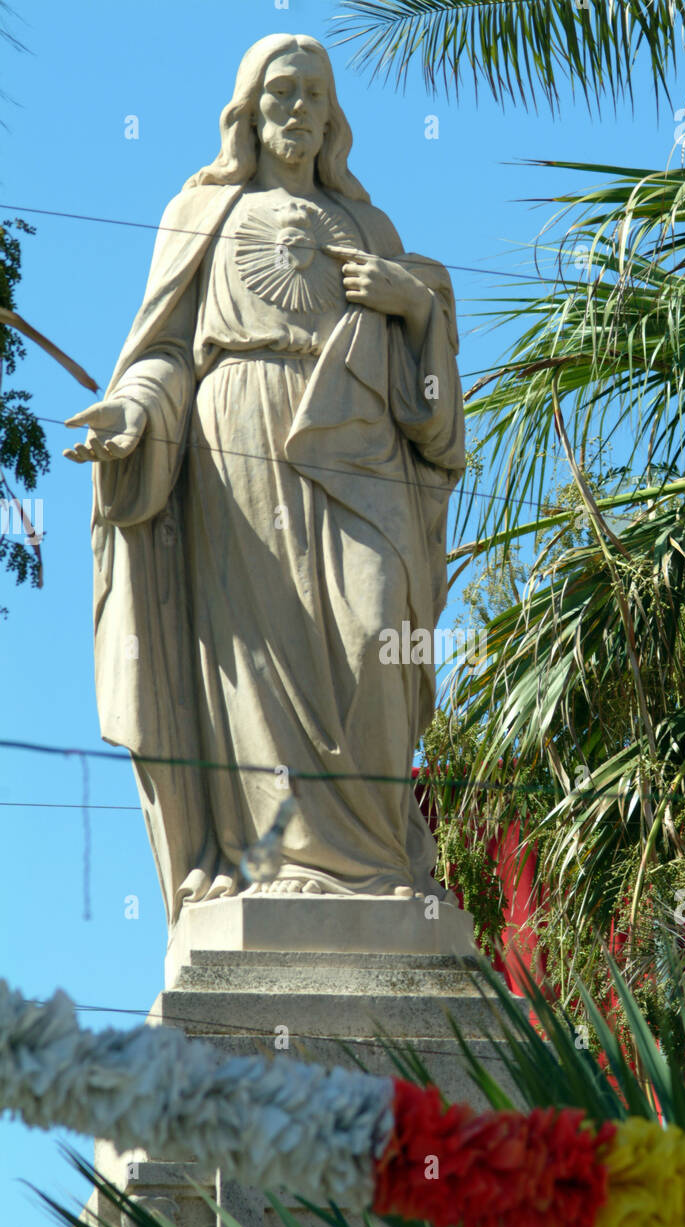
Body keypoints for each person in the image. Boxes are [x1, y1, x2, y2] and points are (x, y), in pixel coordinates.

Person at [64, 34, 465, 925]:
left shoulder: (373, 230)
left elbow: (433, 422)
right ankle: (269, 862)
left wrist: (416, 307)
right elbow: (164, 352)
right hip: (235, 442)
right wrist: (132, 414)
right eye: (279, 93)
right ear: (246, 112)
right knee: (257, 659)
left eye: (312, 93)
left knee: (377, 635)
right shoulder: (200, 213)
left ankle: (380, 864)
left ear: (333, 116)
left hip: (360, 449)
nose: (296, 109)